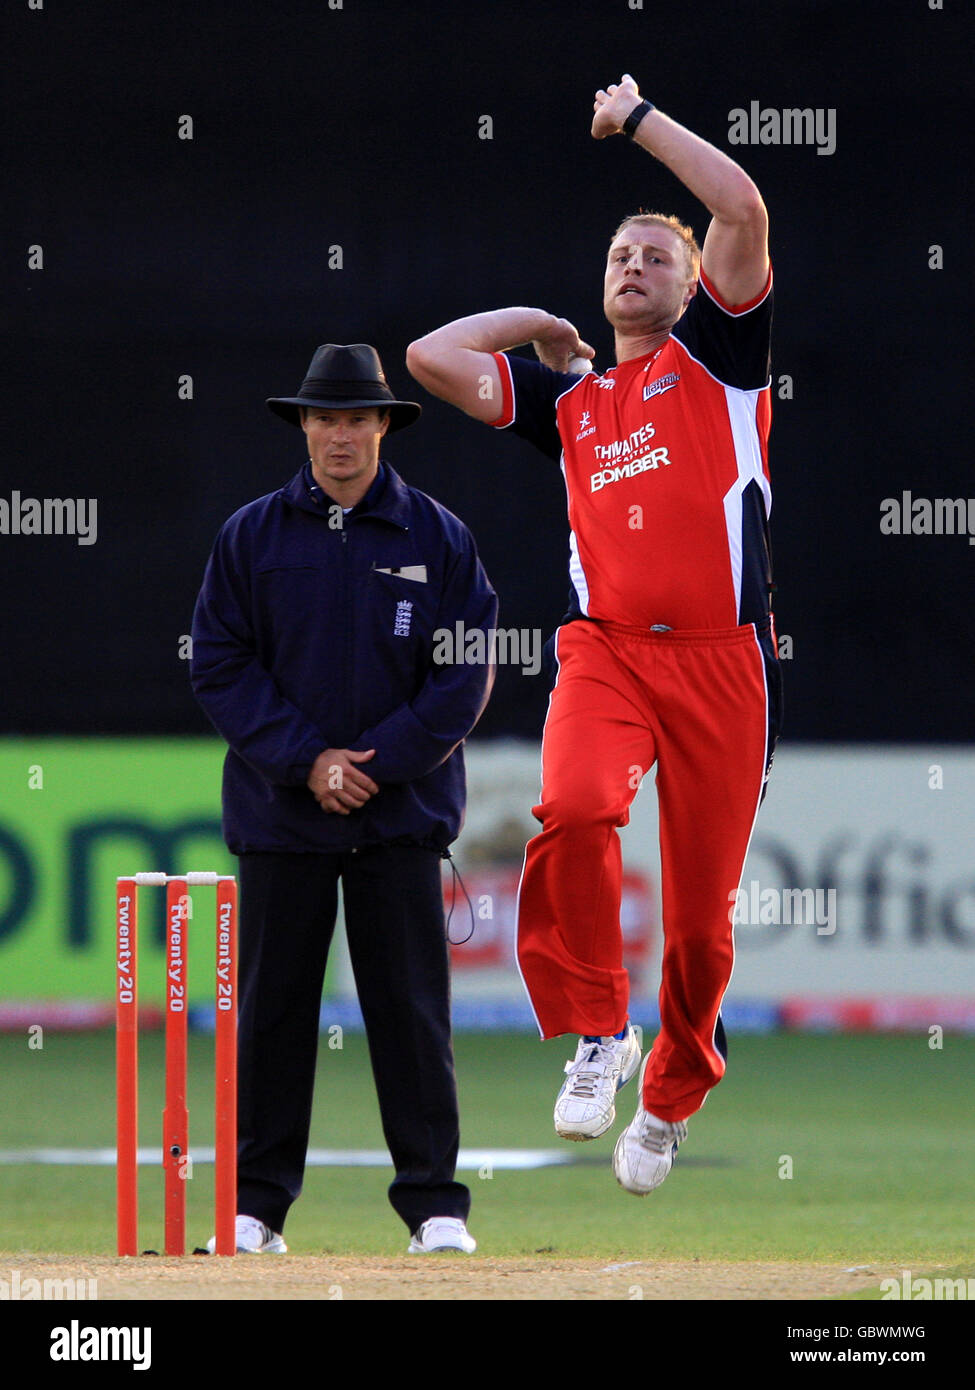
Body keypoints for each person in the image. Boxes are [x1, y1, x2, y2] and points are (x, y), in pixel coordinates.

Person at [406, 75, 782, 1195]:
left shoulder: (720, 360)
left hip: (723, 662)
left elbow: (746, 209)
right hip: (606, 650)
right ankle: (595, 1033)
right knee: (570, 807)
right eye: (622, 256)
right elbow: (429, 357)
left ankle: (669, 1096)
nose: (637, 267)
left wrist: (641, 124)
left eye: (659, 257)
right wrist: (536, 328)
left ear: (697, 282)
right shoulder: (569, 404)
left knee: (702, 928)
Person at [190, 343, 497, 1252]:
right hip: (283, 818)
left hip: (399, 820)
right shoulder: (252, 534)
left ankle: (435, 1209)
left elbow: (463, 669)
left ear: (382, 428)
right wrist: (307, 762)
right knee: (273, 1015)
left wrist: (375, 762)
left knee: (409, 1018)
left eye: (357, 418)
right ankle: (255, 1209)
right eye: (324, 419)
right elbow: (219, 664)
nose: (339, 435)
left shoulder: (436, 535)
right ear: (304, 428)